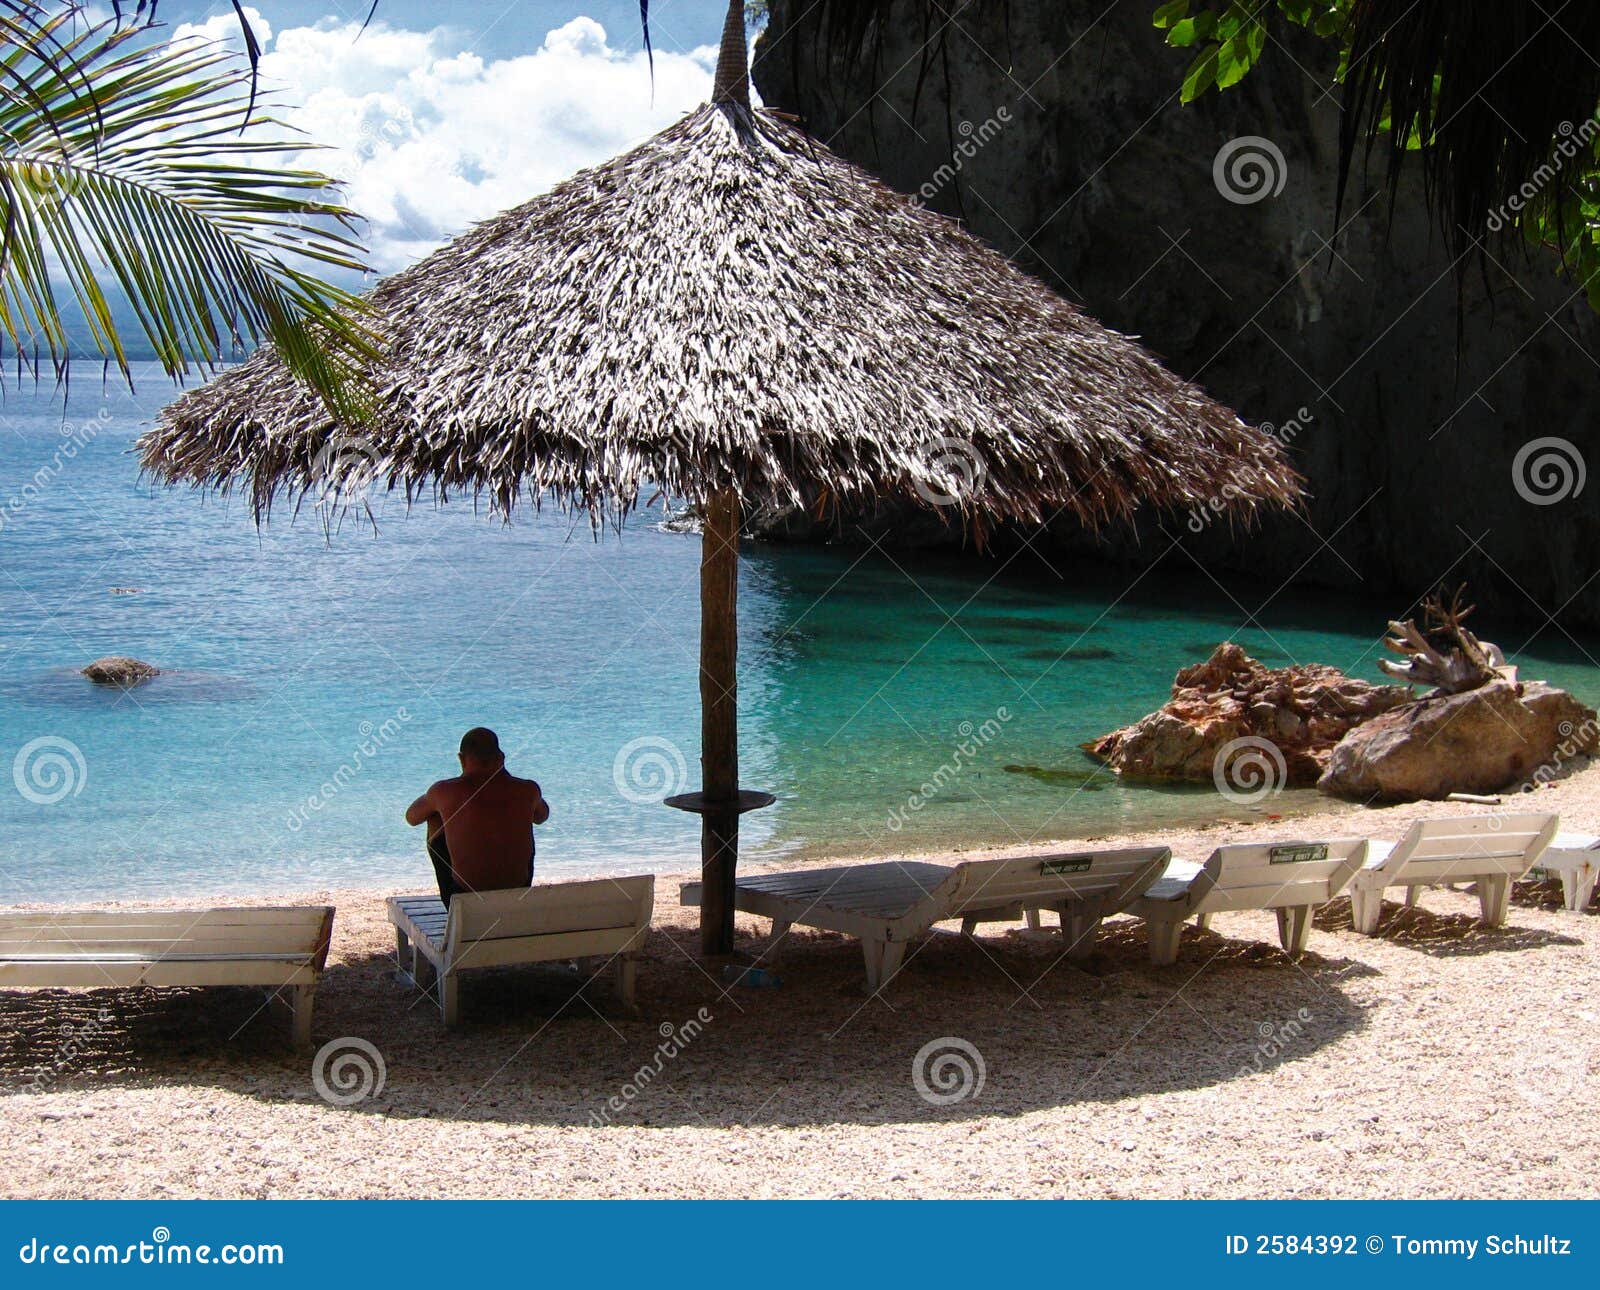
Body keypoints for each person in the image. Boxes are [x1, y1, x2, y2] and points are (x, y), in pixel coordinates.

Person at [405, 727, 549, 906]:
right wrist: (504, 779)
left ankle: (458, 904)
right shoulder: (527, 789)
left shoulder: (444, 791)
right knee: (525, 811)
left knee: (435, 817)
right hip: (517, 893)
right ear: (501, 757)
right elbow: (542, 816)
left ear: (461, 758)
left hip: (463, 899)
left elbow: (411, 818)